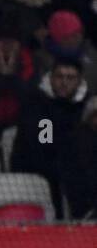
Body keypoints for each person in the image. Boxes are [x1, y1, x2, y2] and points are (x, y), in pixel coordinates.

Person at [11, 57, 88, 212]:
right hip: (36, 174)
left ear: (79, 81)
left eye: (70, 78)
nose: (64, 82)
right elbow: (43, 146)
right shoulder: (37, 103)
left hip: (73, 173)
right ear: (51, 78)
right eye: (59, 76)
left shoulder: (87, 105)